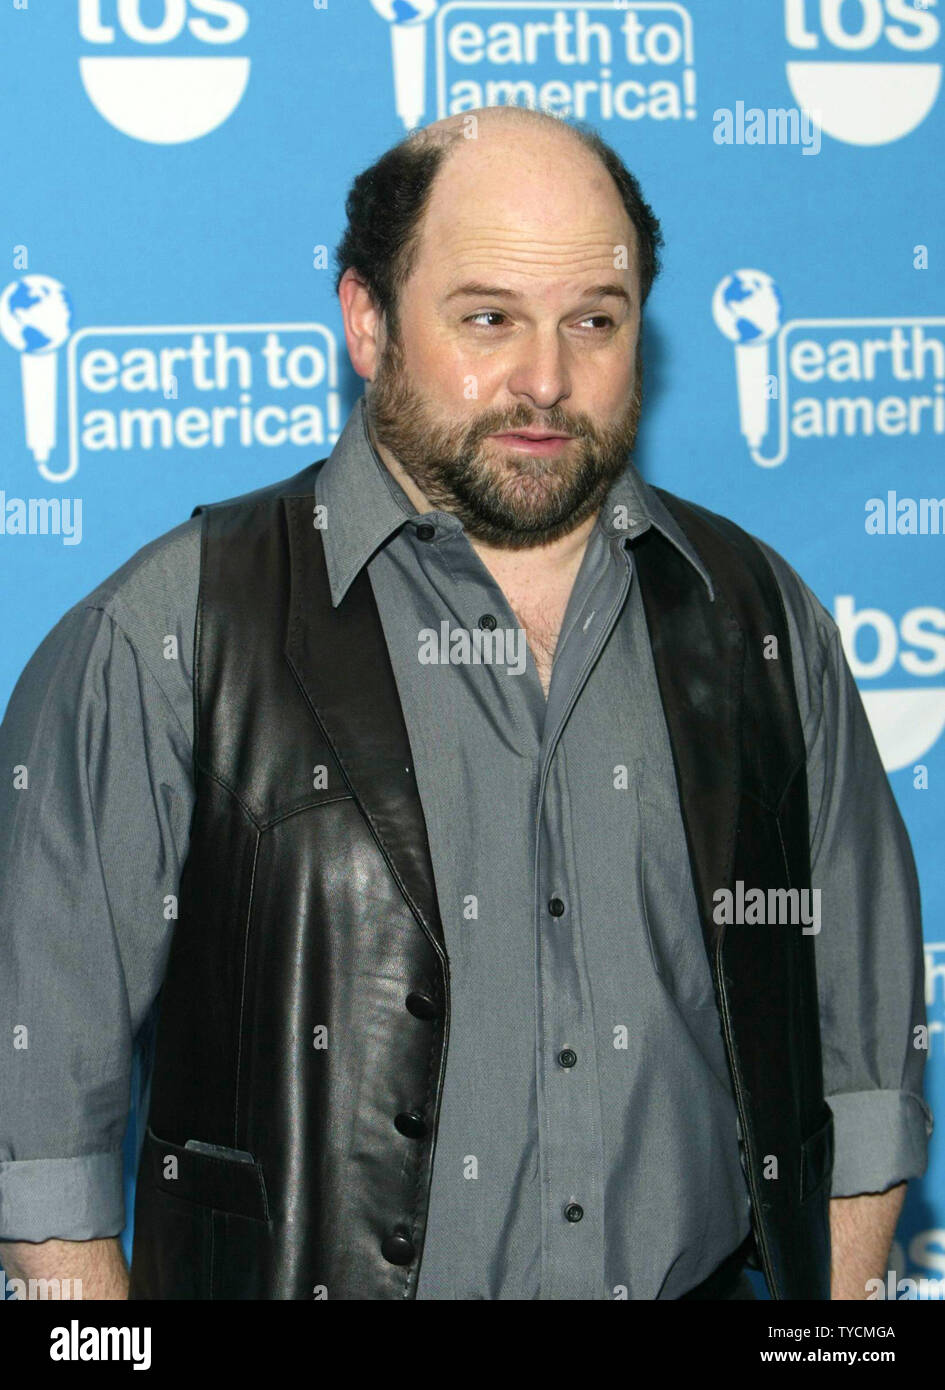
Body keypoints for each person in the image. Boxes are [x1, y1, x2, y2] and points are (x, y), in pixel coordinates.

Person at [0, 106, 931, 1301]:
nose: (545, 379)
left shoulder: (760, 620)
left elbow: (860, 1080)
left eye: (594, 321)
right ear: (366, 320)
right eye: (488, 318)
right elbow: (39, 1150)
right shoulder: (171, 635)